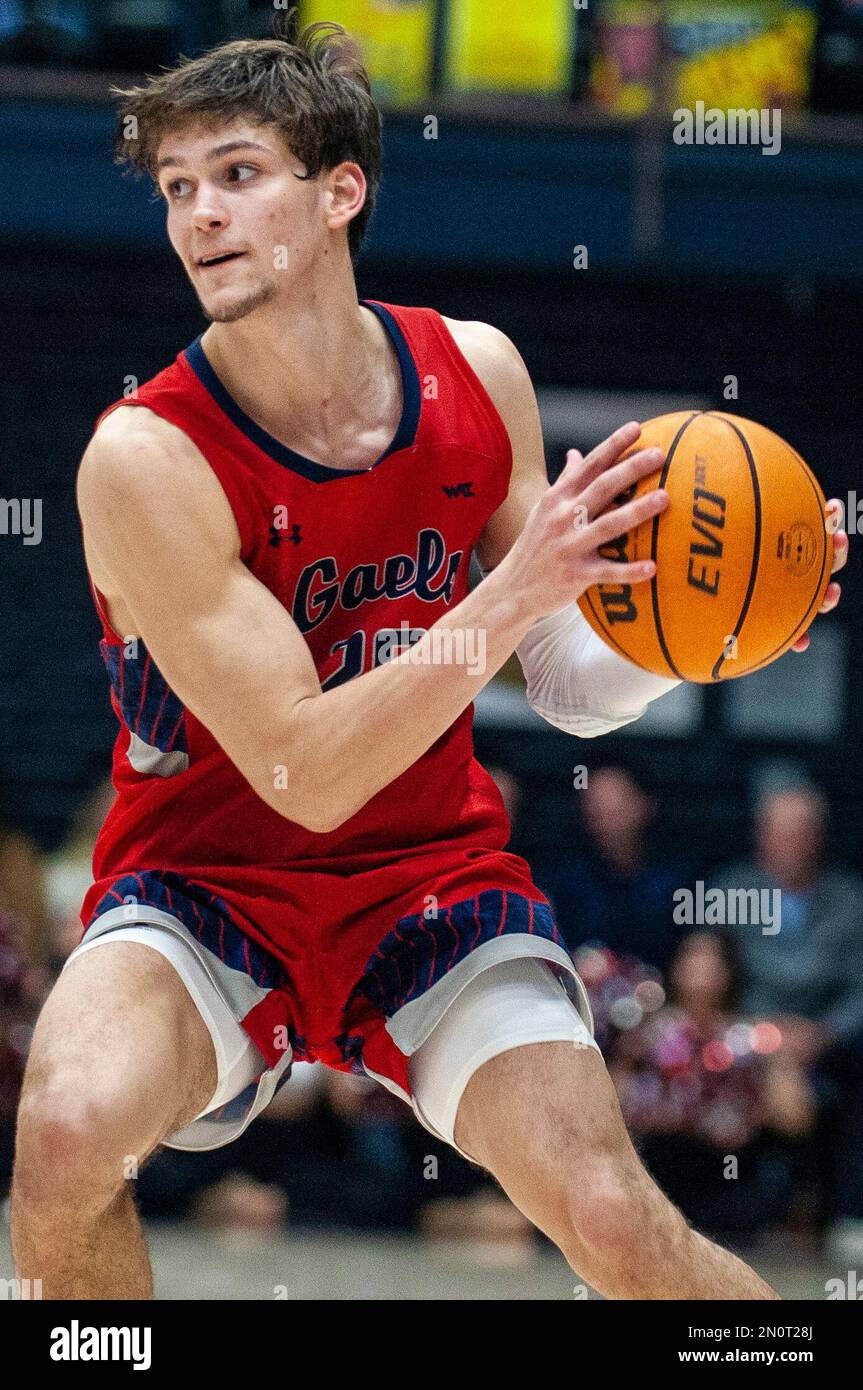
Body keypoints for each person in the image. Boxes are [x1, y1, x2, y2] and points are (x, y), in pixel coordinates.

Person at [10, 17, 846, 1300]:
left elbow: (563, 683)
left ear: (341, 191)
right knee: (66, 1133)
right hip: (205, 884)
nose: (199, 215)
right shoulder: (144, 457)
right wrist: (511, 594)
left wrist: (702, 636)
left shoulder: (474, 371)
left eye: (236, 174)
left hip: (424, 878)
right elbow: (300, 765)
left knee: (613, 1215)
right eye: (178, 187)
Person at [709, 784, 863, 1256]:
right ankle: (719, 1210)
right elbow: (708, 978)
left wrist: (824, 1032)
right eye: (781, 834)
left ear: (818, 837)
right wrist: (761, 1030)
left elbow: (860, 986)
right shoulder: (727, 891)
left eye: (802, 833)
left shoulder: (850, 900)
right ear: (761, 836)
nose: (792, 845)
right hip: (743, 1035)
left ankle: (848, 1213)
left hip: (830, 1040)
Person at [609, 931, 816, 1245]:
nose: (701, 968)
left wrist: (781, 1062)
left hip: (729, 1181)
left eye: (712, 959)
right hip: (658, 1174)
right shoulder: (645, 1036)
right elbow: (610, 1111)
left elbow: (795, 1120)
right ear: (676, 966)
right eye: (693, 957)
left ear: (730, 971)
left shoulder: (752, 1039)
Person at [536, 758, 696, 973]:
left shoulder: (678, 882)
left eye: (616, 804)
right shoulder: (563, 881)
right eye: (596, 805)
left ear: (645, 804)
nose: (605, 815)